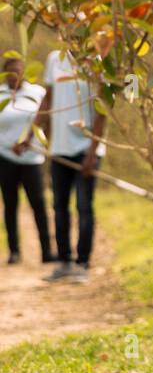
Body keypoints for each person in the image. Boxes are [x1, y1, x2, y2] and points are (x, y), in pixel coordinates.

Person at [36, 49, 107, 284]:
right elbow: (48, 98)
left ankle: (82, 264)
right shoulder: (55, 58)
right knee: (59, 206)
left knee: (84, 206)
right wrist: (31, 135)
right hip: (59, 148)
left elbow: (104, 110)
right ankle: (64, 262)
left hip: (86, 149)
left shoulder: (100, 61)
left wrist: (92, 152)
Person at [0, 56, 54, 265]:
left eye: (18, 71)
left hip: (32, 157)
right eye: (10, 72)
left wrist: (49, 142)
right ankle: (14, 251)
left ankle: (47, 251)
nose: (15, 76)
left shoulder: (37, 92)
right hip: (5, 157)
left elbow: (47, 118)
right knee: (10, 204)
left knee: (38, 204)